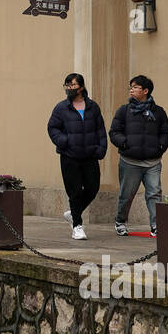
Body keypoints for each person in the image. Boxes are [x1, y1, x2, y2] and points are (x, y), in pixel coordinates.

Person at [109, 75, 168, 238]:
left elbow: (166, 133)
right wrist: (124, 143)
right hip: (129, 160)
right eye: (130, 86)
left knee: (154, 193)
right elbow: (114, 132)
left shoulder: (158, 112)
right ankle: (120, 221)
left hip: (152, 161)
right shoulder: (124, 110)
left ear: (145, 91)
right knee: (127, 194)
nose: (131, 89)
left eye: (135, 87)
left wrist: (160, 147)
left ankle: (156, 225)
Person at [46, 72, 107, 241]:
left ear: (81, 87)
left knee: (92, 188)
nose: (69, 88)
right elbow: (52, 128)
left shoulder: (92, 106)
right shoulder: (61, 108)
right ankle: (77, 226)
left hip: (90, 155)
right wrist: (65, 141)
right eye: (67, 85)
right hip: (69, 156)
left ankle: (72, 212)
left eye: (72, 85)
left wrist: (101, 148)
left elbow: (100, 130)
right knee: (74, 192)